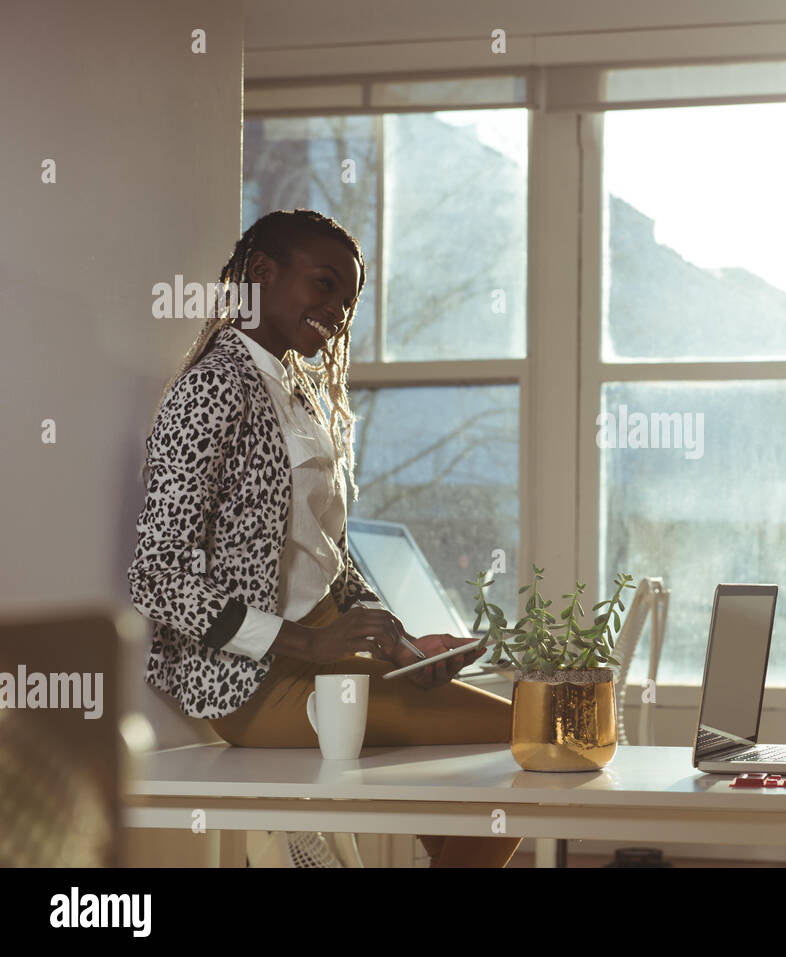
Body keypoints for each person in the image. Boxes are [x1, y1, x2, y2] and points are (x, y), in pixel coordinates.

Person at [128, 208, 520, 867]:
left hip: (327, 657)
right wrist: (311, 641)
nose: (338, 311)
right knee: (520, 740)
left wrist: (397, 641)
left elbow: (327, 560)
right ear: (261, 273)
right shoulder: (211, 390)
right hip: (255, 682)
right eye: (325, 285)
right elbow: (156, 575)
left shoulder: (299, 391)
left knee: (493, 779)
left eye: (349, 298)